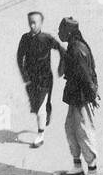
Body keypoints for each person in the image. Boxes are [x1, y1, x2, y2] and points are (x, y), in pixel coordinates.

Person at [56, 16, 100, 175]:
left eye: (61, 30)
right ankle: (77, 167)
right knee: (70, 128)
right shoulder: (73, 47)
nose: (59, 32)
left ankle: (93, 171)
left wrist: (92, 95)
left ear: (69, 31)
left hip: (81, 97)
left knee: (83, 131)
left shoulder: (77, 49)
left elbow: (87, 75)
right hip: (75, 96)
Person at [15, 11, 65, 148]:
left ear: (41, 23)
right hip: (31, 80)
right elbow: (19, 57)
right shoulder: (25, 39)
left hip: (45, 78)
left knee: (40, 108)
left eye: (34, 22)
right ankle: (47, 111)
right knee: (37, 106)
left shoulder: (46, 39)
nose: (32, 25)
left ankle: (40, 135)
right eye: (30, 22)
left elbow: (61, 49)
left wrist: (61, 67)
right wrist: (24, 75)